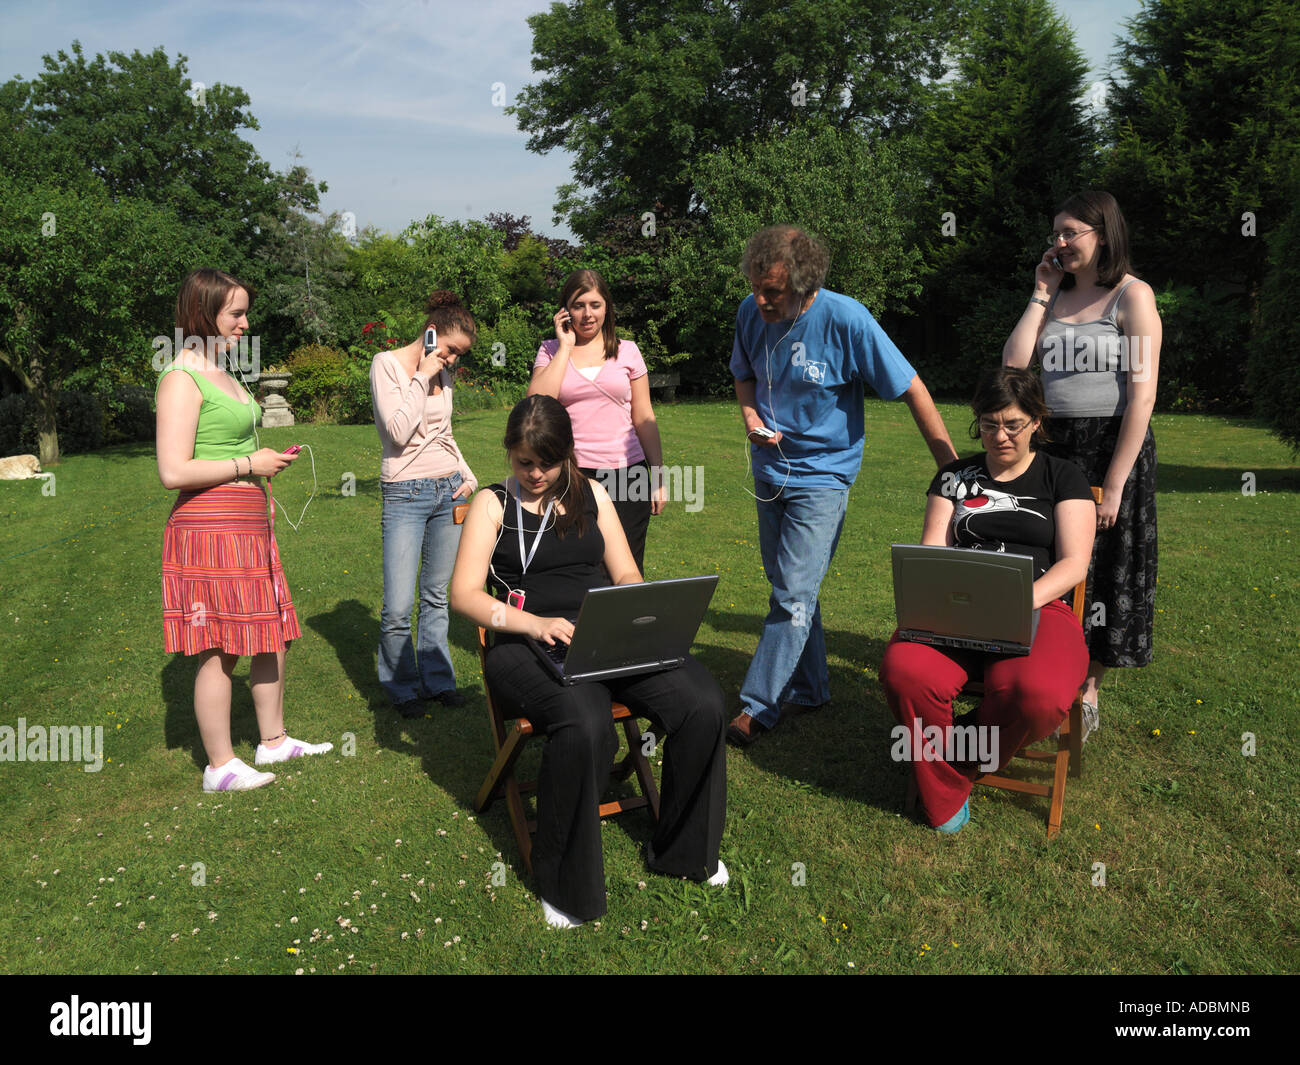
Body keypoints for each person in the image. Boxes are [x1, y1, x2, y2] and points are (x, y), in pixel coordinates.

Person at [449, 395, 727, 928]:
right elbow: (462, 595)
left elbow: (624, 573)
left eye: (547, 463)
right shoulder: (492, 504)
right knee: (585, 720)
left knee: (702, 702)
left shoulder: (593, 494)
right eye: (523, 461)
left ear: (569, 455)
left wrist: (634, 611)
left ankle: (684, 852)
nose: (534, 473)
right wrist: (536, 624)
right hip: (523, 644)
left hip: (603, 635)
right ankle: (563, 883)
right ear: (510, 454)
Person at [727, 225, 958, 746]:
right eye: (756, 287)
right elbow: (743, 372)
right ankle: (809, 688)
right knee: (792, 588)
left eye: (773, 293)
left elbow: (911, 387)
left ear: (806, 287)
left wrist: (950, 468)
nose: (759, 300)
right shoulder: (749, 311)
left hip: (824, 476)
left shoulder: (847, 318)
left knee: (792, 593)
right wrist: (749, 417)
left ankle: (758, 705)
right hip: (769, 472)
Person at [879, 368, 1096, 833]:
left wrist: (1019, 600)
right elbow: (933, 549)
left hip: (1036, 604)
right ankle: (948, 788)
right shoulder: (955, 476)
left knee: (1038, 694)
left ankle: (950, 757)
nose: (1000, 435)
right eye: (989, 423)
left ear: (1037, 420)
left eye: (1013, 424)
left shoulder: (1063, 476)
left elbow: (1075, 563)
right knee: (905, 672)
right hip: (955, 603)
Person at [156, 268, 332, 792]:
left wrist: (263, 467)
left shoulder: (221, 367)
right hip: (208, 532)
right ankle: (219, 767)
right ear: (201, 313)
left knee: (271, 630)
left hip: (247, 525)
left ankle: (273, 741)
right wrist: (246, 466)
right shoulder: (181, 377)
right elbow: (172, 472)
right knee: (219, 646)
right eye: (235, 312)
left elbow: (232, 449)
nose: (244, 322)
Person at [1003, 191, 1161, 740]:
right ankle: (1040, 660)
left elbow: (1142, 397)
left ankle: (1088, 688)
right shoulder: (1056, 295)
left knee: (1106, 562)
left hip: (1112, 443)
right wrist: (1041, 294)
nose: (1060, 242)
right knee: (1052, 555)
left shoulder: (1133, 296)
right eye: (1056, 233)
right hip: (1052, 446)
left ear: (1104, 233)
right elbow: (1014, 367)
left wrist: (1115, 483)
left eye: (1071, 232)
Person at [370, 290, 479, 717]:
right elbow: (398, 431)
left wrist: (467, 475)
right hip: (404, 493)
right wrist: (423, 375)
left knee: (436, 594)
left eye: (459, 356)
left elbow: (443, 432)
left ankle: (438, 681)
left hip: (447, 489)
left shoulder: (445, 376)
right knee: (398, 605)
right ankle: (402, 689)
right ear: (433, 334)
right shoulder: (387, 365)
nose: (453, 361)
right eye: (451, 350)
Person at [529, 269, 665, 573]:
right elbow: (536, 403)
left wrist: (657, 476)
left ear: (607, 307)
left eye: (595, 305)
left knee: (627, 566)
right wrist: (564, 346)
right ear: (565, 310)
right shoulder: (550, 351)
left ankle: (624, 622)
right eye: (578, 306)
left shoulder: (627, 351)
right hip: (573, 474)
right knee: (578, 563)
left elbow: (643, 416)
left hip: (628, 475)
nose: (587, 314)